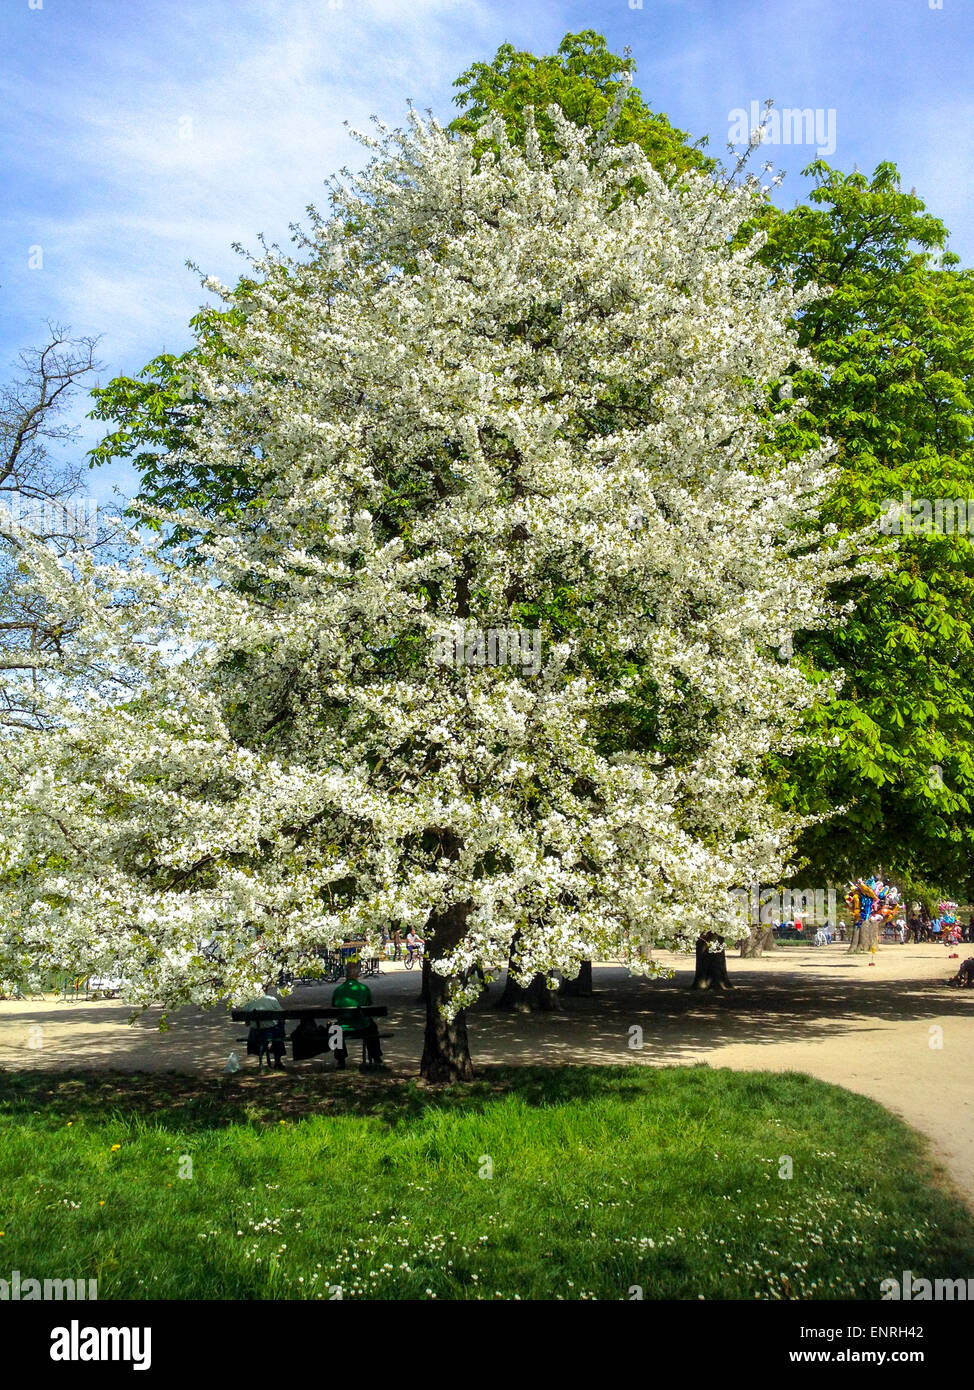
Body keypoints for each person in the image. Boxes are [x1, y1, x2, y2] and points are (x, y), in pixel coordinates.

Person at [331, 962, 384, 1069]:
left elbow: (334, 1005)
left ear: (346, 974)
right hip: (362, 1026)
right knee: (372, 1027)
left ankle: (341, 1060)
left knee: (334, 1028)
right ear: (357, 974)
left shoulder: (338, 990)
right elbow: (369, 1004)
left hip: (343, 1027)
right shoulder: (364, 989)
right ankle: (376, 1056)